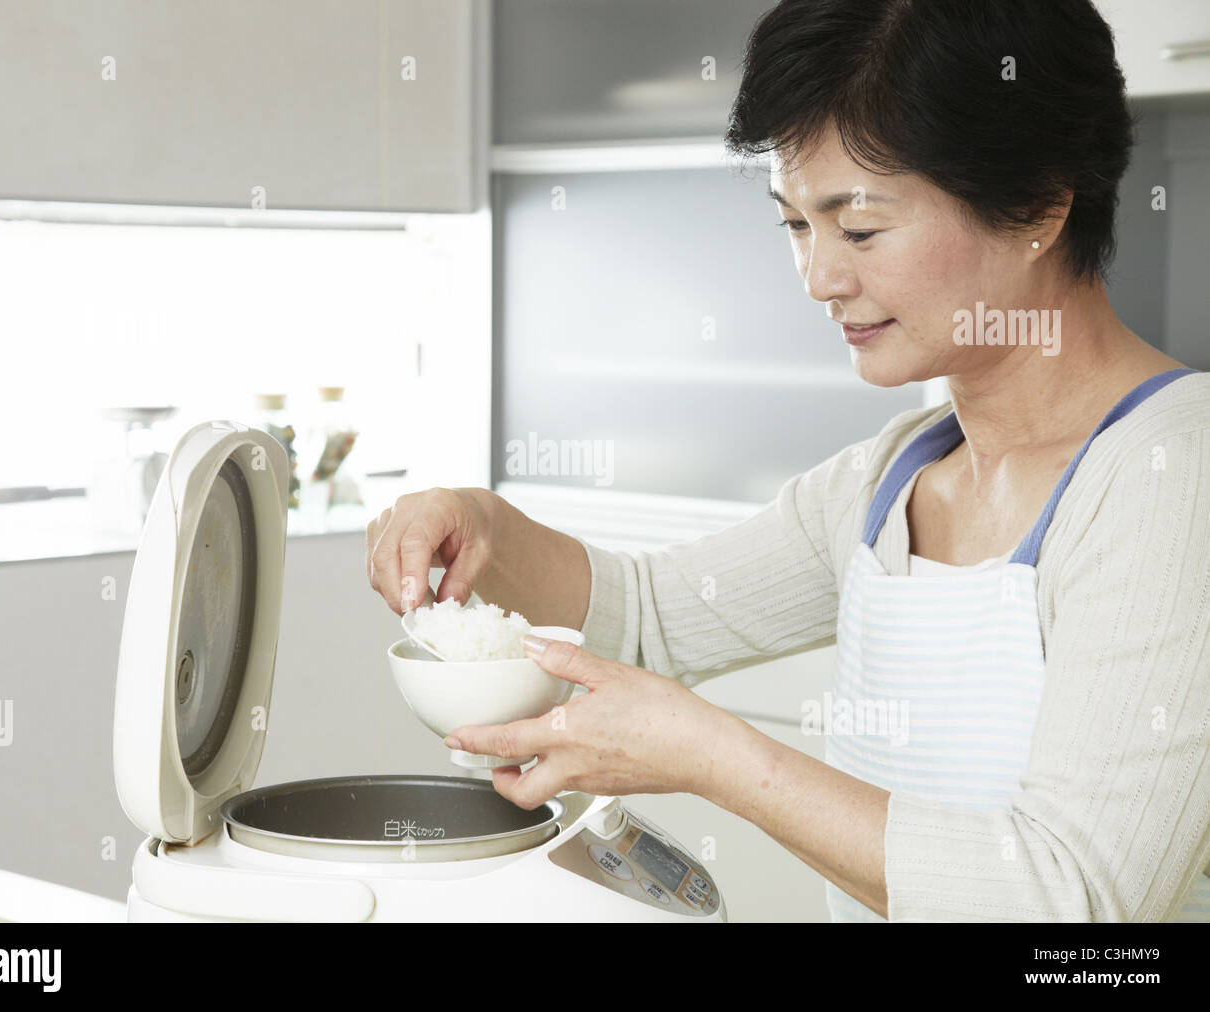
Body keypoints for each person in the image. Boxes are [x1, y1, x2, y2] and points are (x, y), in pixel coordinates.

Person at [365, 0, 1210, 921]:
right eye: (796, 225)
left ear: (1041, 204)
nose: (820, 278)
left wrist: (717, 759)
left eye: (860, 228)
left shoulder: (1173, 477)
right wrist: (486, 527)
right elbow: (647, 617)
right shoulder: (895, 477)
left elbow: (1073, 904)